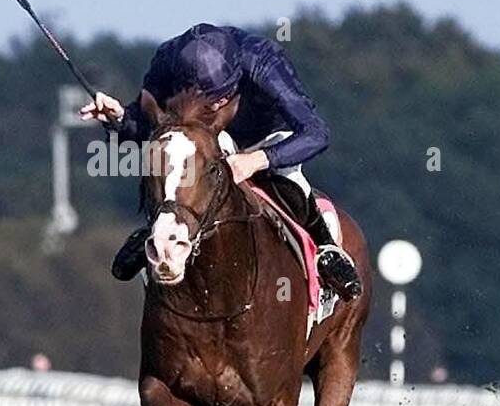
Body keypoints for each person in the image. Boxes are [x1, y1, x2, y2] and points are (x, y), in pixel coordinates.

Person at [79, 23, 361, 300]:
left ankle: (325, 247)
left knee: (289, 176)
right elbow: (147, 128)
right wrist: (119, 119)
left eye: (223, 97)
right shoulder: (166, 61)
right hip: (206, 138)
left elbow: (315, 132)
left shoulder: (263, 62)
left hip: (267, 135)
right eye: (209, 99)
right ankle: (157, 230)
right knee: (171, 163)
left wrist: (257, 160)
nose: (215, 106)